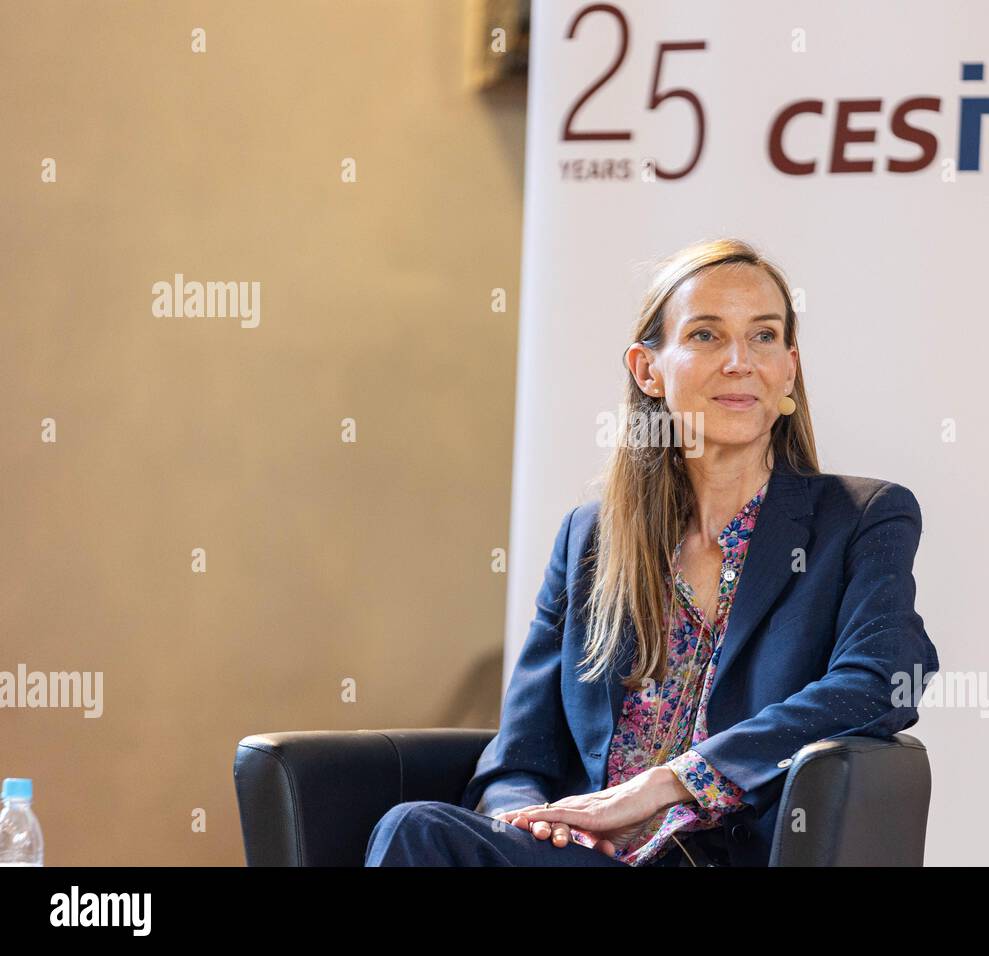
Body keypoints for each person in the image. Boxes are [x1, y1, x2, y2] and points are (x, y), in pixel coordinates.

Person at [365, 237, 939, 867]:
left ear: (790, 367)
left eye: (765, 336)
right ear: (647, 370)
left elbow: (883, 679)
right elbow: (518, 758)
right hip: (586, 857)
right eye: (705, 336)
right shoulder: (590, 539)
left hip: (721, 854)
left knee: (415, 831)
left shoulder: (860, 519)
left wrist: (661, 785)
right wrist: (534, 822)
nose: (740, 361)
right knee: (416, 828)